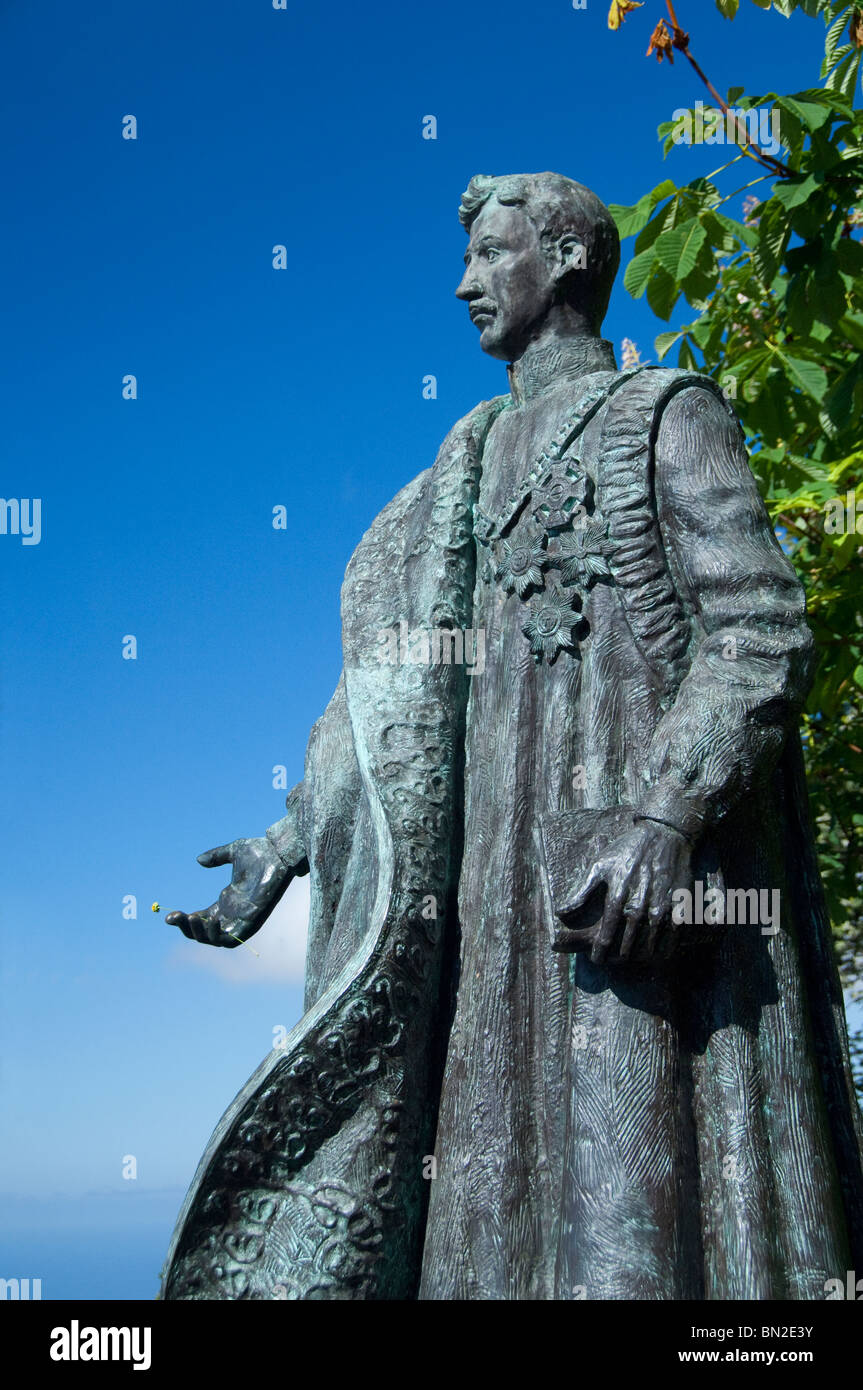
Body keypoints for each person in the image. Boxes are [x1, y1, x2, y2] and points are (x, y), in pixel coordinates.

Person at [160, 173, 863, 1301]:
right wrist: (291, 837)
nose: (463, 283)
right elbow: (392, 691)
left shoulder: (665, 413)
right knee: (483, 1225)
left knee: (628, 1205)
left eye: (490, 255)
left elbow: (760, 631)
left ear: (571, 261)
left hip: (622, 898)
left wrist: (663, 818)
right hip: (489, 916)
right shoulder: (464, 463)